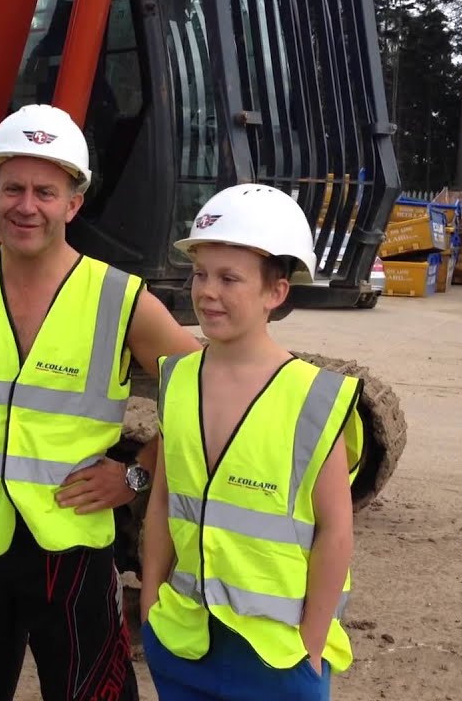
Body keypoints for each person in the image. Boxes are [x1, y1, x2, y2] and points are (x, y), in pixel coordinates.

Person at [0, 103, 202, 701]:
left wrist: (137, 474)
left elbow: (209, 395)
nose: (27, 206)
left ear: (73, 203)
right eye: (14, 189)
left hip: (73, 547)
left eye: (46, 192)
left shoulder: (118, 298)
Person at [138, 183, 363, 701]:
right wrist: (151, 601)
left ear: (275, 292)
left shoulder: (314, 398)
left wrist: (308, 650)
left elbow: (335, 532)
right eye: (200, 274)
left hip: (277, 656)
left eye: (229, 278)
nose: (207, 291)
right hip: (186, 641)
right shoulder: (177, 380)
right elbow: (164, 502)